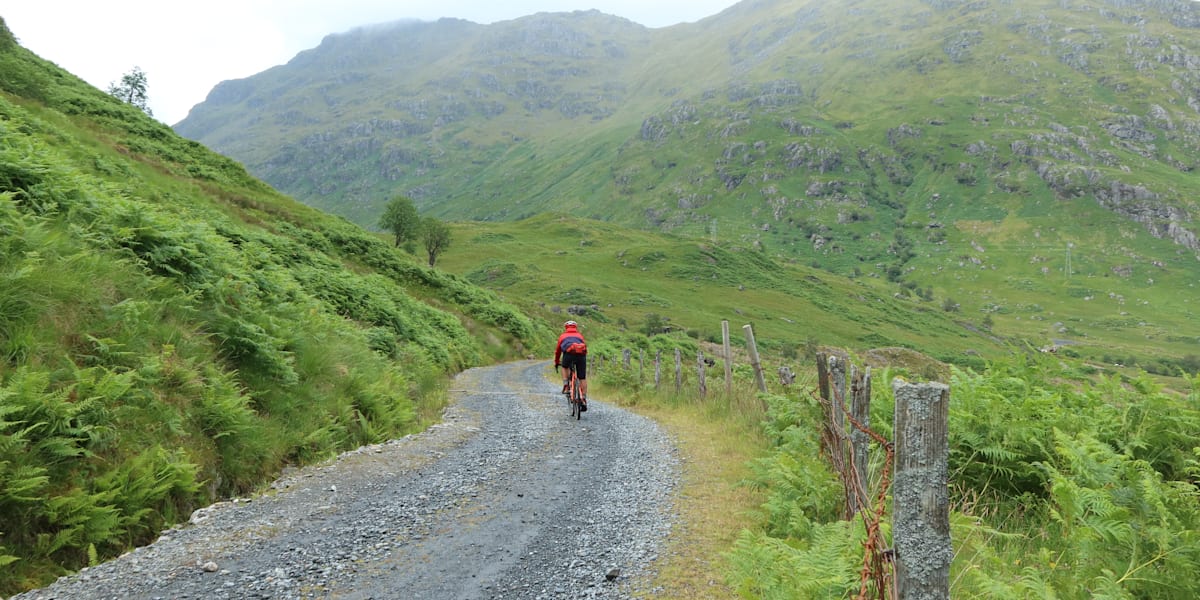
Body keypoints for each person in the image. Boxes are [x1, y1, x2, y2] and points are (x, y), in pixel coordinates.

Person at [554, 320, 588, 407]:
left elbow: (558, 351)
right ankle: (583, 398)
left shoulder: (563, 336)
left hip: (569, 354)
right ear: (575, 327)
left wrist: (557, 361)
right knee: (582, 377)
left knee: (565, 366)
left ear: (566, 327)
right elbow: (585, 348)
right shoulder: (580, 336)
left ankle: (566, 385)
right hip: (581, 356)